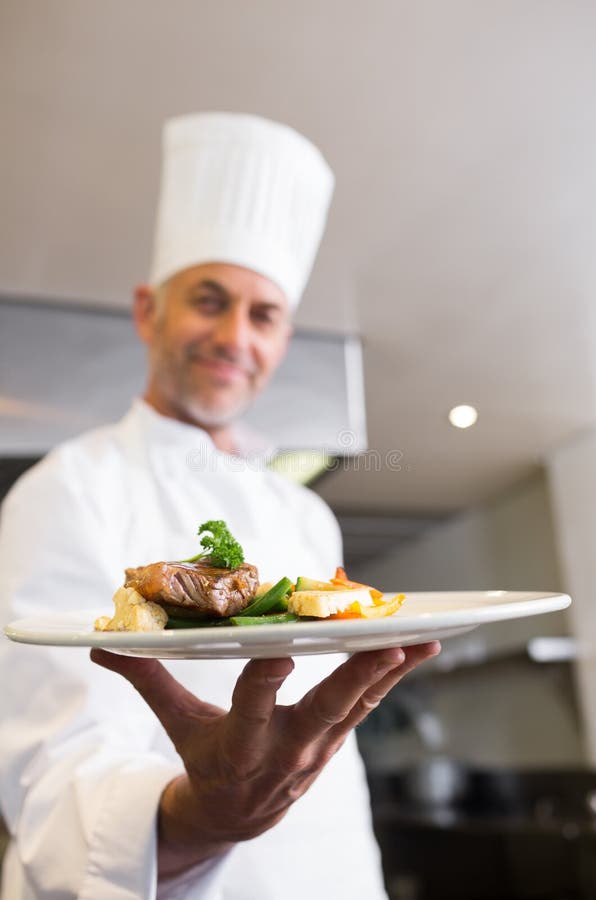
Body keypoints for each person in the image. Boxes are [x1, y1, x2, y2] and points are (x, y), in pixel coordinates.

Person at [0, 112, 439, 899]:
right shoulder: (67, 487)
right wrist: (205, 815)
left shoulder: (306, 515)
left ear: (282, 340)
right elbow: (49, 766)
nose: (235, 335)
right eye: (209, 300)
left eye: (263, 314)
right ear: (147, 312)